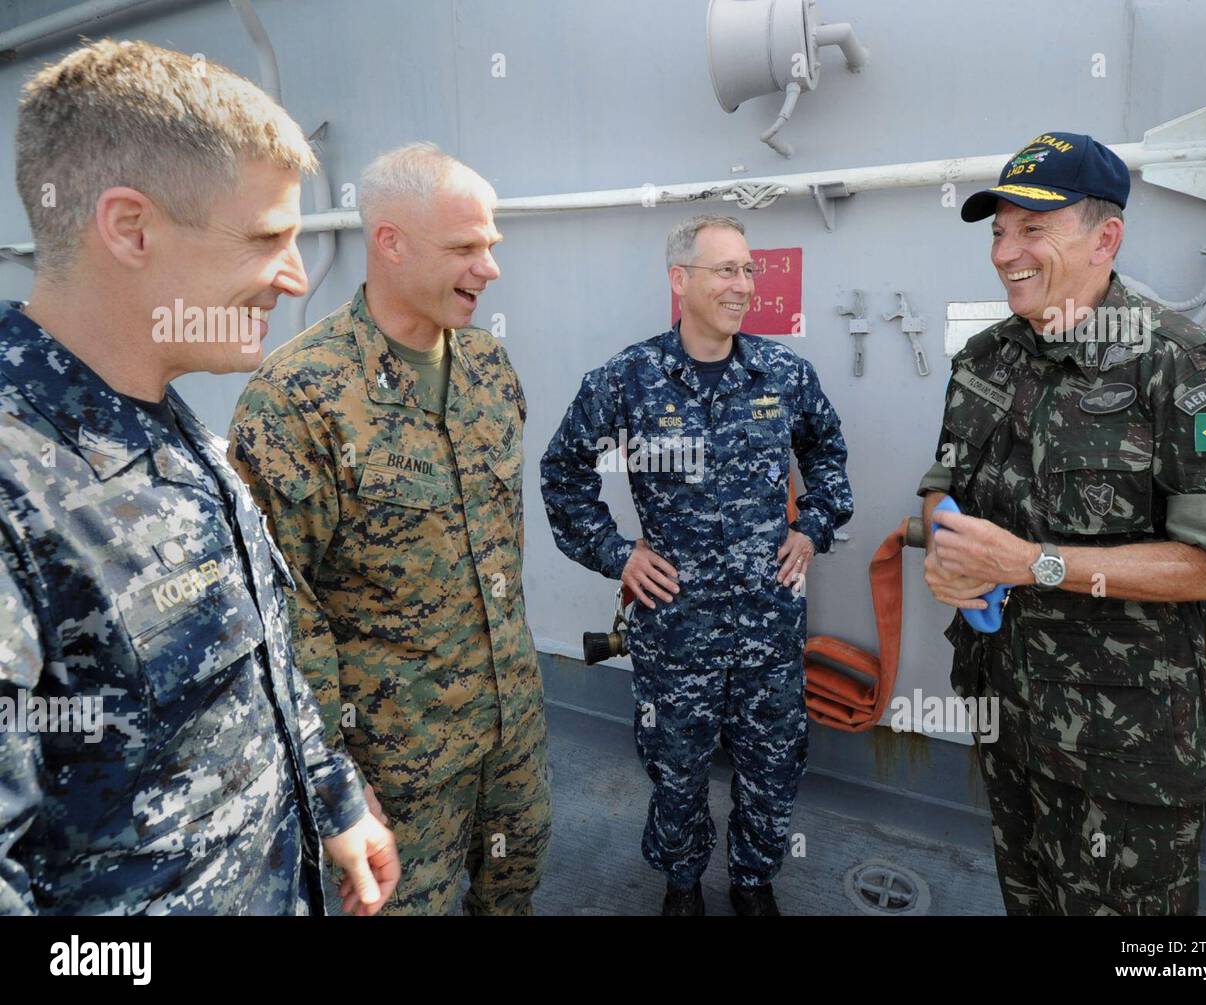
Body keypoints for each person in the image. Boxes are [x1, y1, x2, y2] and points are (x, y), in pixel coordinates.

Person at [0, 39, 397, 915]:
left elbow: (254, 653)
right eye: (267, 238)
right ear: (131, 228)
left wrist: (331, 802)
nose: (296, 277)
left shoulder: (169, 420)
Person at [918, 130, 1206, 915]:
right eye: (999, 230)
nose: (1004, 251)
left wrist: (1033, 562)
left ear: (1104, 237)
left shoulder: (1184, 364)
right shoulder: (984, 359)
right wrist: (945, 546)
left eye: (1032, 228)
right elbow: (941, 487)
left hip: (1125, 755)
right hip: (1003, 715)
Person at [228, 143, 549, 915]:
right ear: (391, 242)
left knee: (514, 891)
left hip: (513, 733)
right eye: (465, 248)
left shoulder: (489, 367)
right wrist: (333, 772)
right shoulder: (298, 397)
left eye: (491, 246)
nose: (489, 268)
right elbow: (280, 603)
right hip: (397, 763)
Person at [540, 215, 853, 916]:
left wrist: (813, 528)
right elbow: (563, 472)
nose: (743, 285)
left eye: (749, 270)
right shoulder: (629, 379)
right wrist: (617, 553)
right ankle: (682, 885)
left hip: (769, 621)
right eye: (726, 270)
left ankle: (753, 881)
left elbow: (828, 453)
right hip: (675, 626)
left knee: (772, 762)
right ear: (680, 279)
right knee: (676, 768)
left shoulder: (783, 373)